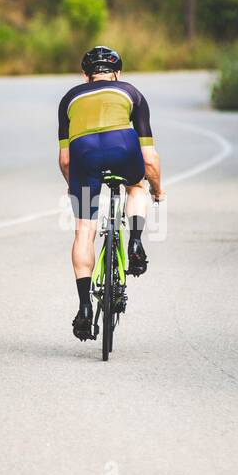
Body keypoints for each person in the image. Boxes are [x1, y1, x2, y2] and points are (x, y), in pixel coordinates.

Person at [58, 46, 164, 341]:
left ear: (85, 75)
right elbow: (150, 158)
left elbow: (65, 160)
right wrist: (157, 189)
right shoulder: (131, 92)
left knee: (84, 229)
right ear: (117, 73)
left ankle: (84, 307)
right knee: (136, 187)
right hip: (123, 147)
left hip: (84, 153)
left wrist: (74, 185)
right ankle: (136, 242)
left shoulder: (69, 98)